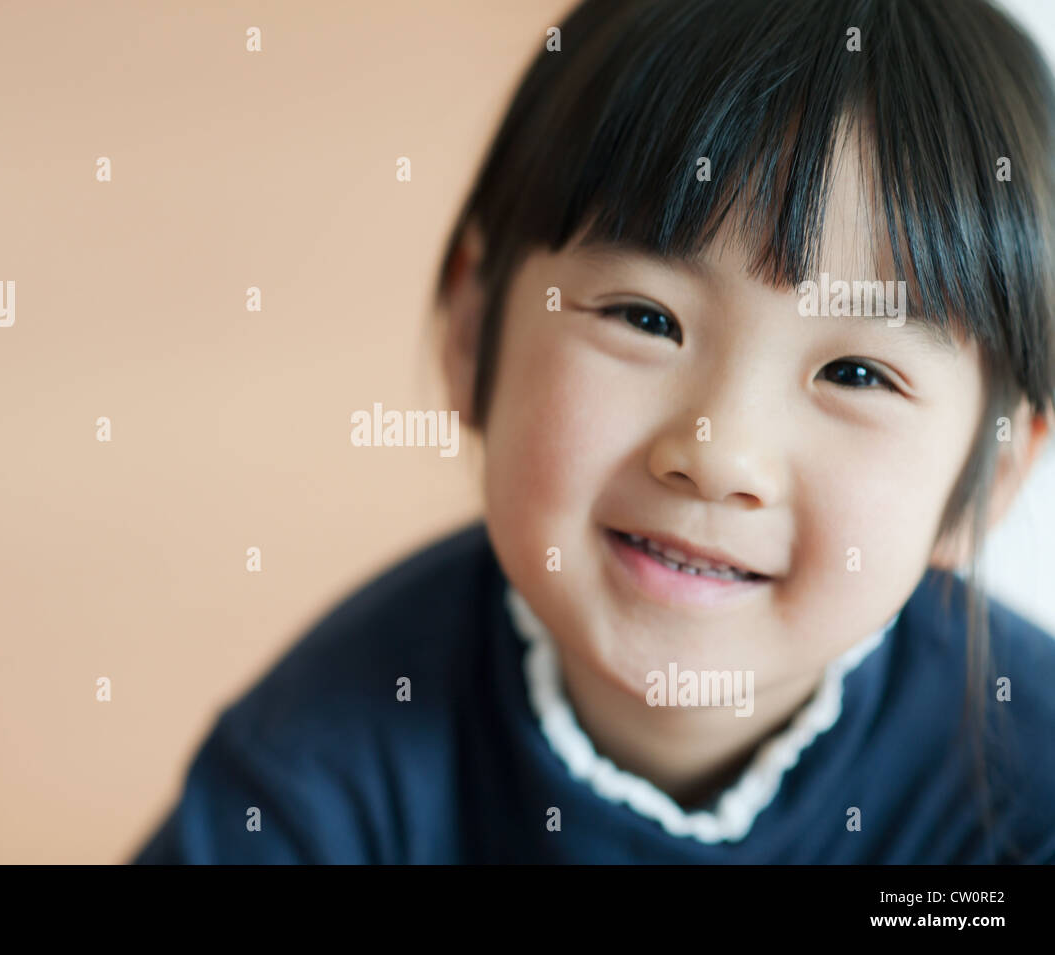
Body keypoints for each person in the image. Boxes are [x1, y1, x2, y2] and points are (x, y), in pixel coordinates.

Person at [132, 0, 1055, 863]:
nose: (719, 453)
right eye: (644, 318)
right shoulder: (311, 782)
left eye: (856, 374)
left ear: (996, 473)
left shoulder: (1025, 795)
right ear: (470, 328)